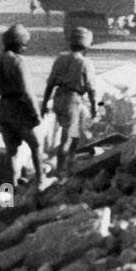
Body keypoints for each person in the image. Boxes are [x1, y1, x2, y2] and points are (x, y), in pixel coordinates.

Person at [0, 24, 44, 196]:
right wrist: (36, 114)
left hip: (3, 110)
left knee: (11, 153)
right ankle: (41, 182)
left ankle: (7, 196)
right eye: (24, 45)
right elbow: (27, 92)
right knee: (36, 145)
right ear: (19, 44)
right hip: (19, 110)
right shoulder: (18, 61)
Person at [40, 27, 96, 177]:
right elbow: (91, 88)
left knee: (74, 134)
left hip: (58, 98)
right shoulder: (85, 63)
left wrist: (45, 103)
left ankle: (71, 163)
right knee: (67, 138)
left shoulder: (60, 58)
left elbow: (50, 83)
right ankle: (60, 172)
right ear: (86, 46)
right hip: (72, 101)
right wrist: (94, 107)